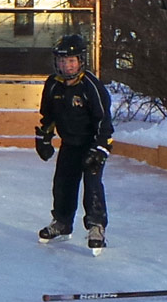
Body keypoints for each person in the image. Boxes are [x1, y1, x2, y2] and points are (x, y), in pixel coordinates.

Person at [35, 34, 115, 250]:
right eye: (62, 61)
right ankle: (62, 222)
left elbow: (103, 120)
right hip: (69, 143)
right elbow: (48, 117)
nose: (66, 66)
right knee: (63, 183)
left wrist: (100, 148)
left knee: (93, 184)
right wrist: (43, 138)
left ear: (81, 61)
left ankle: (96, 226)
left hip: (91, 143)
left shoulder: (91, 86)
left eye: (71, 61)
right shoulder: (53, 85)